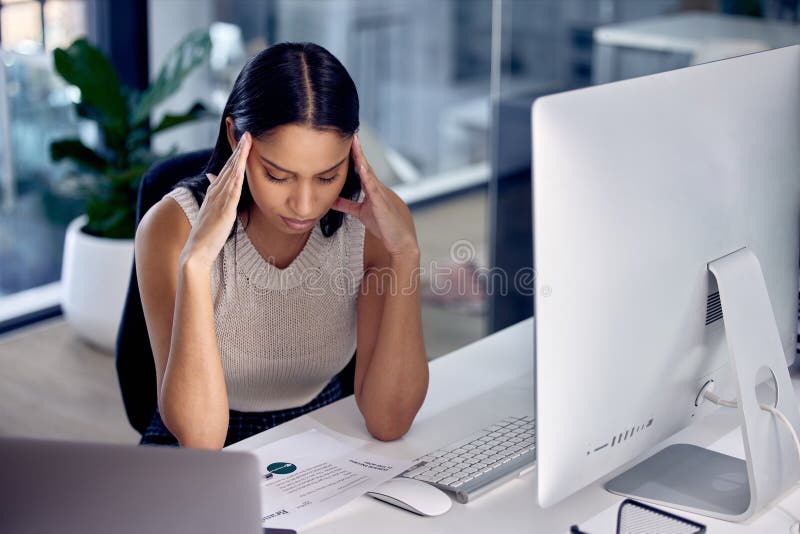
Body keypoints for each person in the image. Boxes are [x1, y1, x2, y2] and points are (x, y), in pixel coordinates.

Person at [135, 42, 428, 449]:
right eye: (277, 176)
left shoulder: (375, 225)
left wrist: (405, 255)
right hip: (199, 439)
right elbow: (200, 440)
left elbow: (390, 420)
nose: (305, 206)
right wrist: (197, 263)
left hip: (322, 422)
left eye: (328, 177)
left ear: (352, 149)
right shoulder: (171, 228)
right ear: (236, 136)